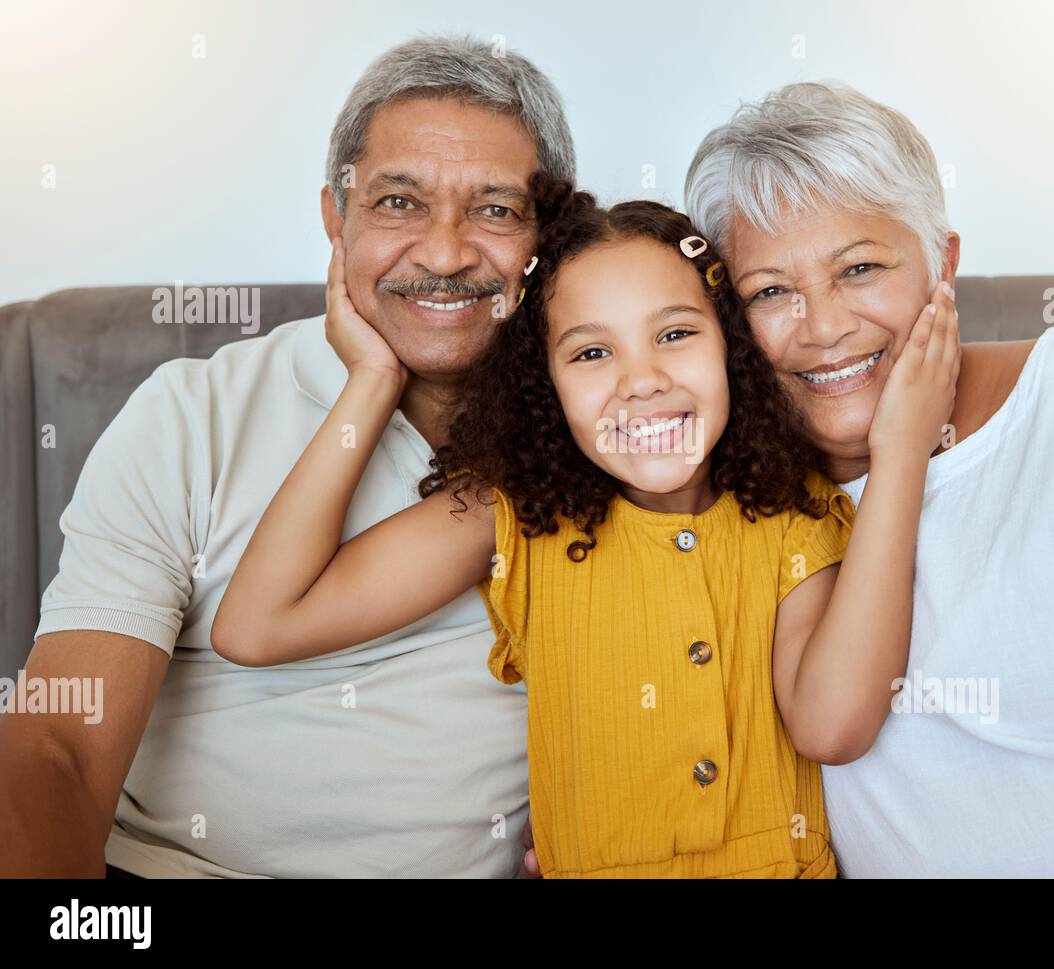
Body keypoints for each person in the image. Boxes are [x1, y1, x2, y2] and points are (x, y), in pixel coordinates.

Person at [210, 179, 961, 877]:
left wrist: (901, 455)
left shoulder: (793, 514)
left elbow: (833, 726)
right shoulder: (516, 517)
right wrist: (372, 379)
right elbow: (258, 623)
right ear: (546, 383)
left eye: (675, 334)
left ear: (732, 350)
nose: (642, 380)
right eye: (592, 352)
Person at [685, 80, 1054, 876]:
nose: (826, 327)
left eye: (861, 268)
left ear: (943, 263)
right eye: (770, 291)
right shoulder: (732, 502)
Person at [0, 35, 574, 878]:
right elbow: (58, 747)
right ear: (335, 219)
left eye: (495, 209)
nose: (447, 254)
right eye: (399, 203)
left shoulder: (592, 441)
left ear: (547, 238)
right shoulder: (190, 414)